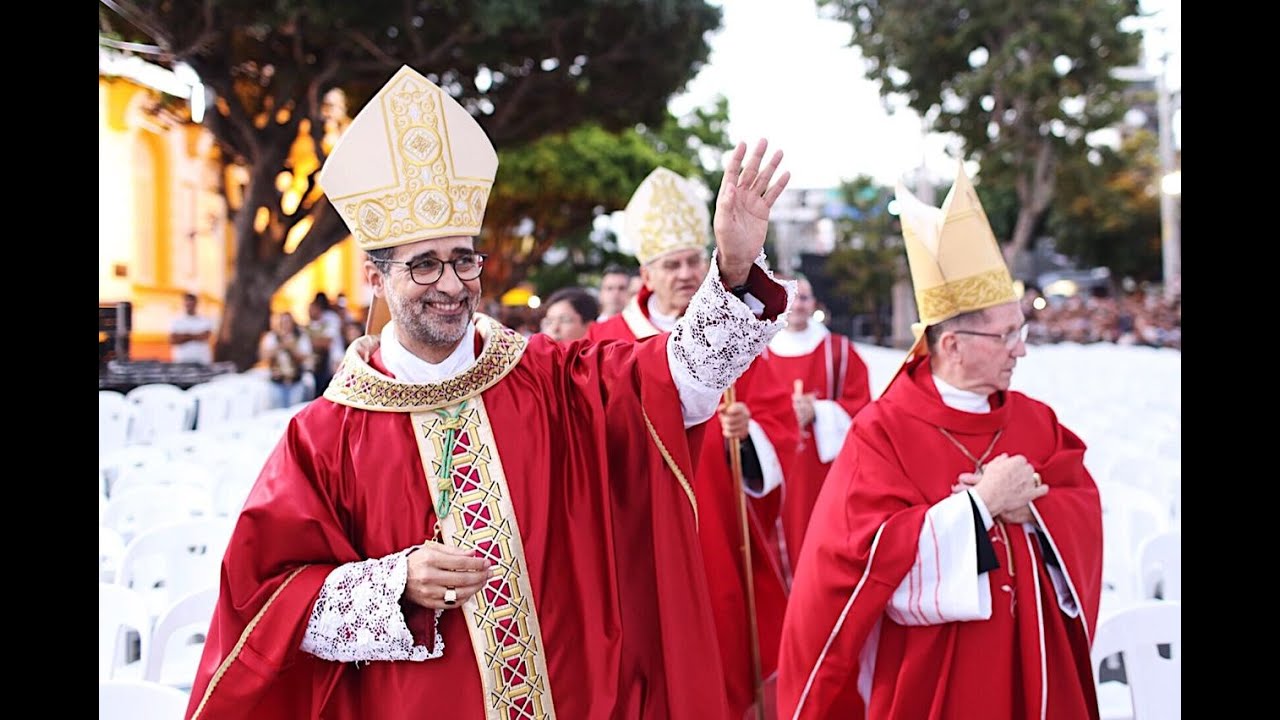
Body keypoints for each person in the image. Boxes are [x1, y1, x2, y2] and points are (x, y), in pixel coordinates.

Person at [186, 65, 794, 720]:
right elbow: (263, 604)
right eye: (423, 263)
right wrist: (394, 583)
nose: (451, 284)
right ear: (375, 275)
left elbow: (678, 382)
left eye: (463, 258)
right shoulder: (328, 436)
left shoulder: (554, 380)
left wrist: (731, 268)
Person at [776, 166, 1103, 719]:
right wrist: (979, 506)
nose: (1019, 349)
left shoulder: (1037, 421)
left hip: (1032, 662)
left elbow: (1082, 507)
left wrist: (1038, 513)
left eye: (1019, 332)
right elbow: (855, 560)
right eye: (1006, 335)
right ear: (951, 343)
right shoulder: (882, 432)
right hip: (932, 673)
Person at [588, 166, 798, 719]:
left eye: (692, 261)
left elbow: (779, 426)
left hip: (719, 533)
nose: (686, 274)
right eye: (672, 265)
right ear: (646, 273)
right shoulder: (602, 345)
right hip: (636, 532)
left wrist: (748, 437)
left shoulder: (736, 331)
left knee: (723, 645)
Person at [763, 275, 871, 577]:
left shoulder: (838, 351)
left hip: (824, 471)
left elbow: (863, 408)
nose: (798, 304)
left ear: (814, 304)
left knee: (823, 540)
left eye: (805, 298)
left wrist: (821, 411)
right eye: (791, 297)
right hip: (777, 471)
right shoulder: (760, 351)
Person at [259, 311, 314, 409]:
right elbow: (264, 356)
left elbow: (306, 357)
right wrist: (279, 346)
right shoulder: (272, 337)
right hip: (277, 382)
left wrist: (291, 349)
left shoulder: (300, 337)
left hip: (295, 382)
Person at [169, 292, 214, 364]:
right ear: (183, 303)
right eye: (187, 301)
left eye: (191, 301)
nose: (189, 303)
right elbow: (173, 340)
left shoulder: (205, 320)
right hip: (181, 360)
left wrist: (184, 336)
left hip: (202, 360)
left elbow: (204, 337)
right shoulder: (176, 320)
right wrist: (196, 335)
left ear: (196, 303)